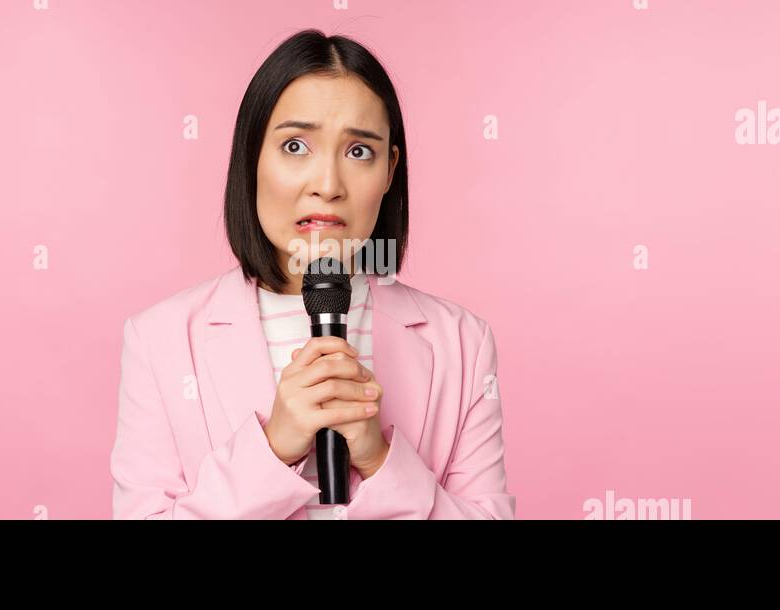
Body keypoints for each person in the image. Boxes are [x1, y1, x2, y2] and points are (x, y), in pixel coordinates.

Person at [110, 29, 514, 519]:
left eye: (358, 151)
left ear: (389, 170)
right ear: (252, 155)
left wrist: (379, 459)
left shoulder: (463, 343)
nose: (327, 185)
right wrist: (273, 449)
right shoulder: (160, 340)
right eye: (296, 146)